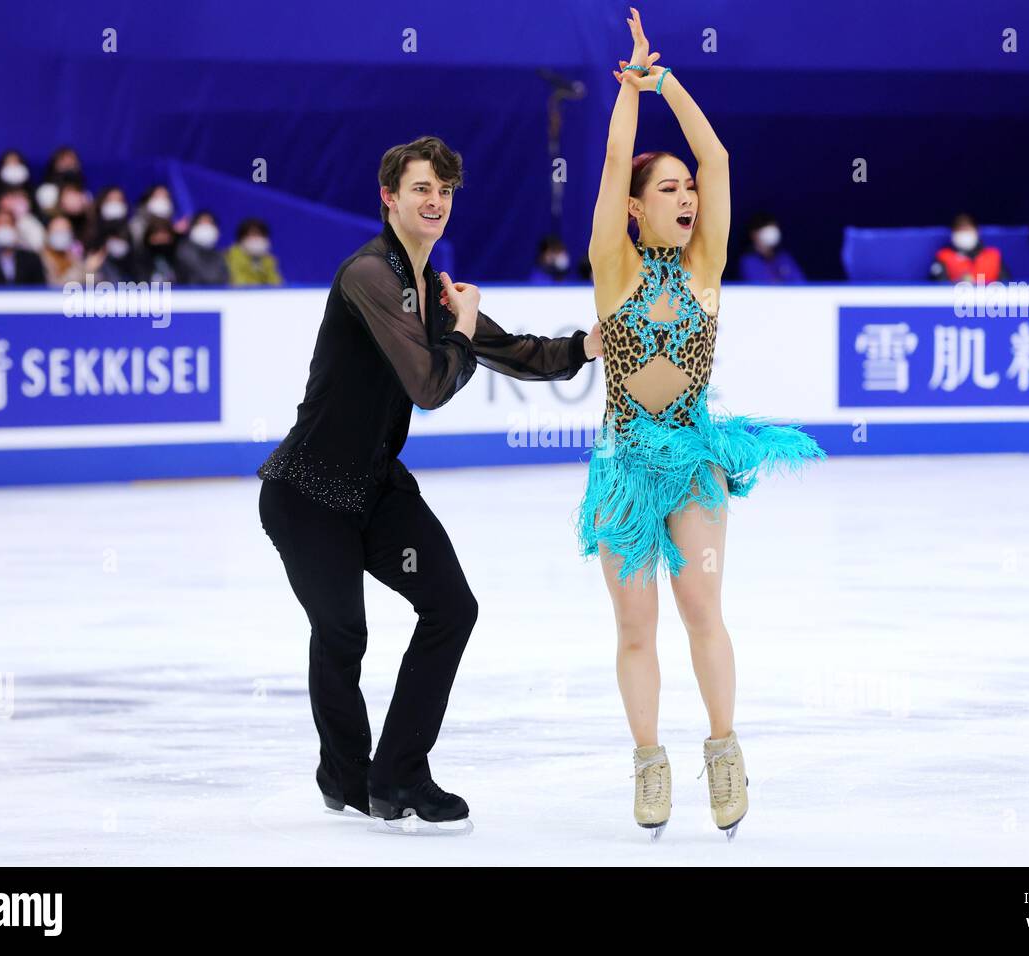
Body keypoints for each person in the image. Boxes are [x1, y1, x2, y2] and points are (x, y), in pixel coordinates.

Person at [256, 135, 600, 834]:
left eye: (444, 190)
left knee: (452, 607)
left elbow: (512, 352)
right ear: (388, 198)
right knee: (343, 630)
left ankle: (399, 773)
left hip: (377, 492)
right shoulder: (368, 277)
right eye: (420, 188)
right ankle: (345, 777)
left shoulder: (431, 291)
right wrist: (463, 331)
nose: (434, 201)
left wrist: (582, 349)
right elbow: (430, 383)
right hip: (308, 492)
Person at [578, 7, 825, 841]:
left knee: (702, 606)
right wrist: (627, 94)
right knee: (635, 624)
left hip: (692, 458)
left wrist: (667, 81)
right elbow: (616, 159)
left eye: (688, 190)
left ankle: (723, 748)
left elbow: (717, 156)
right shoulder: (611, 268)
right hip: (621, 465)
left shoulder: (707, 265)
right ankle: (650, 763)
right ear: (637, 212)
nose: (686, 195)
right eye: (669, 189)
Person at [929, 213, 1009, 283]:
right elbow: (938, 287)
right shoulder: (944, 256)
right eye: (960, 229)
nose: (964, 233)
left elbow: (1007, 285)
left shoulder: (993, 256)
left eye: (967, 228)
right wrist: (960, 284)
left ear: (976, 231)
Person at [0, 209, 45, 286]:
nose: (4, 228)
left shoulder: (31, 259)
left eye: (8, 223)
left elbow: (40, 288)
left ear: (15, 228)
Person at [738, 212, 805, 284]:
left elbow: (800, 282)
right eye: (767, 229)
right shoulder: (748, 261)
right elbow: (759, 287)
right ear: (753, 234)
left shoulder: (784, 257)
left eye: (774, 229)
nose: (771, 234)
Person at [175, 211, 230, 285]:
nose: (206, 228)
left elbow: (224, 279)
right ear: (193, 227)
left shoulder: (218, 255)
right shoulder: (183, 250)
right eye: (201, 223)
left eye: (209, 224)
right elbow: (206, 278)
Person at [227, 218, 283, 286]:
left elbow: (276, 284)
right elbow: (238, 284)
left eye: (260, 235)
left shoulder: (269, 260)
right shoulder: (230, 257)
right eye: (253, 235)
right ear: (241, 238)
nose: (257, 239)